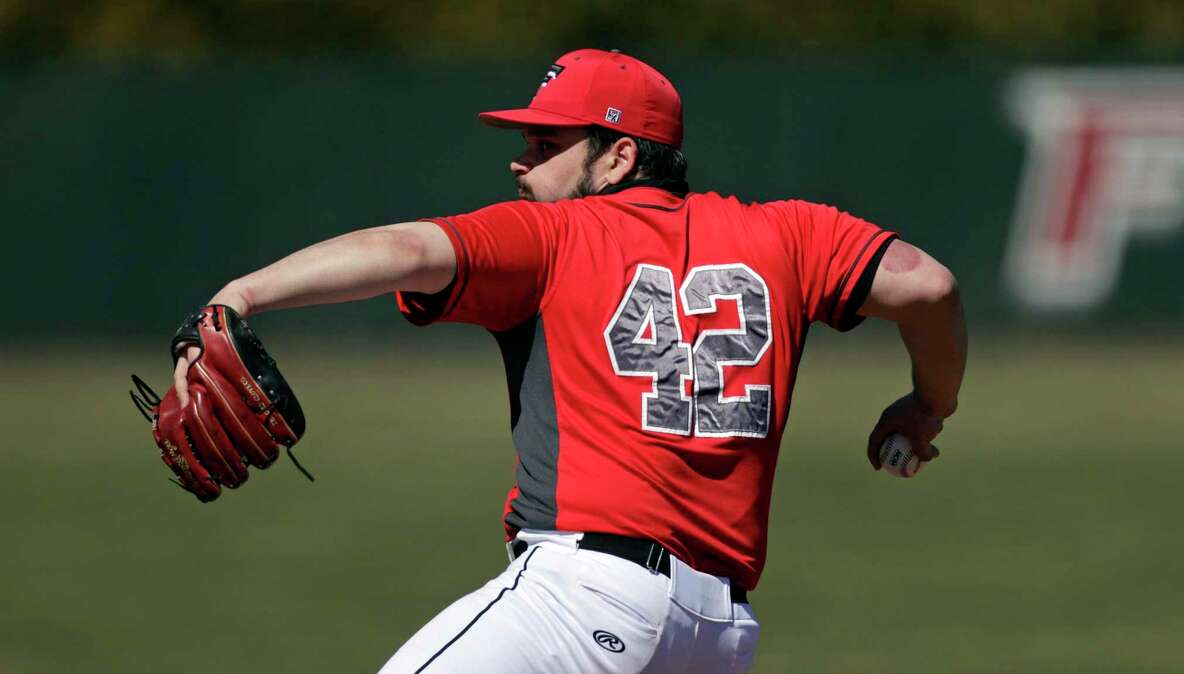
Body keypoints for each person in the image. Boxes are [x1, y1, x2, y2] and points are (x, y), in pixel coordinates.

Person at [172, 48, 967, 673]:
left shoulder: (555, 236)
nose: (522, 161)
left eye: (547, 142)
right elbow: (928, 285)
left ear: (619, 158)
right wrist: (927, 406)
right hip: (718, 634)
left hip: (587, 601)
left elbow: (405, 249)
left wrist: (244, 293)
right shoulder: (791, 234)